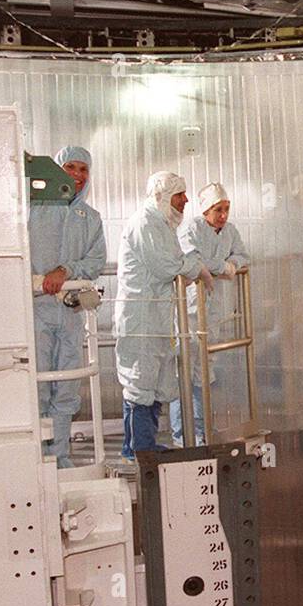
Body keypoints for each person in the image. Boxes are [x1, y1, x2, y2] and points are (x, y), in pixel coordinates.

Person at [114, 172, 205, 459]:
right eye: (180, 195)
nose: (186, 200)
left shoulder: (161, 223)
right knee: (140, 381)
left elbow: (175, 262)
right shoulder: (145, 223)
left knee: (150, 381)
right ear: (163, 197)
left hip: (154, 317)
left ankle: (141, 445)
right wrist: (195, 268)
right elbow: (167, 265)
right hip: (141, 318)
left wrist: (189, 266)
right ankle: (140, 449)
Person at [29, 145, 105, 468]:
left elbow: (96, 259)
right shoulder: (33, 209)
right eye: (70, 167)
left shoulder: (91, 218)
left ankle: (60, 457)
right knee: (39, 386)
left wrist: (67, 271)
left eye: (83, 169)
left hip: (70, 314)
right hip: (36, 312)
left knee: (67, 389)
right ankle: (39, 459)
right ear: (58, 170)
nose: (76, 175)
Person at [171, 182, 251, 446]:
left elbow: (243, 256)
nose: (223, 215)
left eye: (226, 209)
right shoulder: (191, 229)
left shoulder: (229, 231)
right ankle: (183, 435)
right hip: (189, 309)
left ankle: (203, 429)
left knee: (204, 370)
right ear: (206, 210)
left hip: (211, 309)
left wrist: (229, 265)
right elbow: (193, 259)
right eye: (218, 209)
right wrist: (223, 267)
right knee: (185, 369)